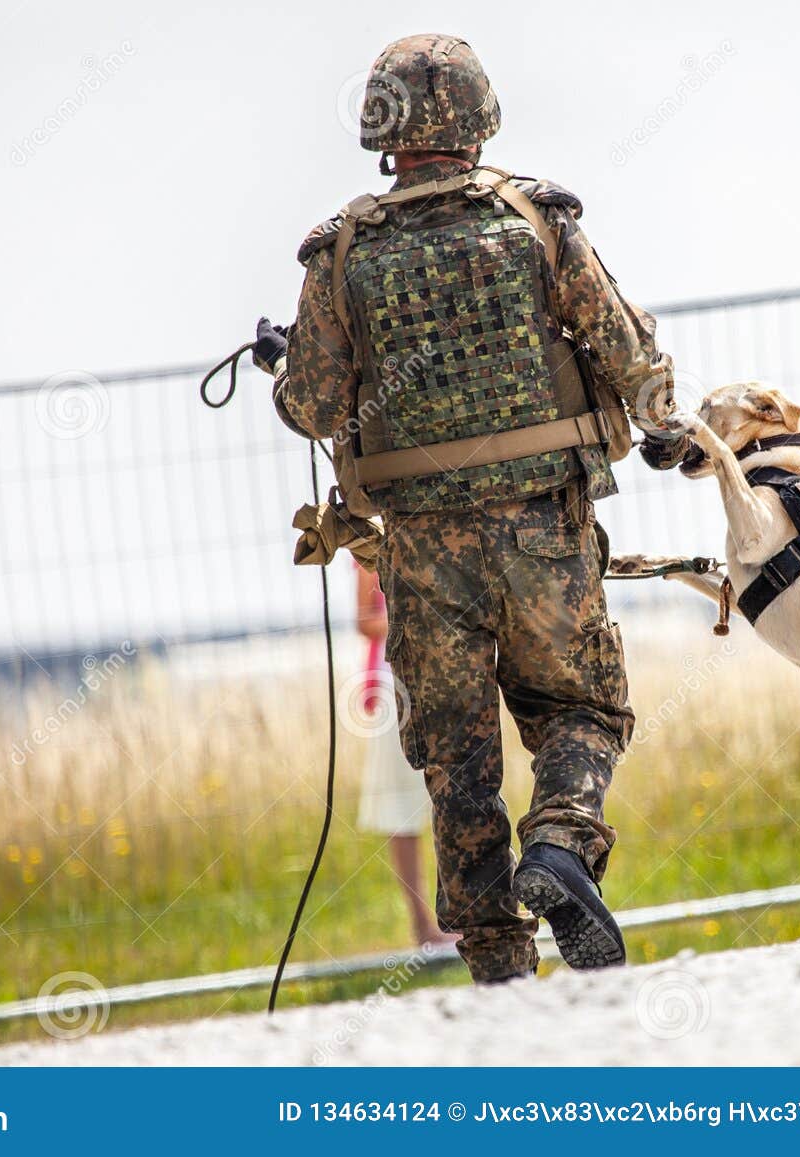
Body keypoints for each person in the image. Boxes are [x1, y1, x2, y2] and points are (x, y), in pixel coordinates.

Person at [251, 33, 691, 983]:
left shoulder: (342, 253)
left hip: (420, 551)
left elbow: (317, 408)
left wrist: (283, 363)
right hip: (545, 528)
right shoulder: (539, 220)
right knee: (580, 705)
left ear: (383, 128)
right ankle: (565, 842)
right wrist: (670, 429)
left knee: (456, 756)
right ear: (480, 119)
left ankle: (495, 961)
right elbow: (626, 351)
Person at [353, 562, 457, 948]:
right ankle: (423, 927)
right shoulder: (368, 547)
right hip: (394, 680)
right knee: (402, 807)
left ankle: (461, 915)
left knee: (453, 794)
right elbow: (365, 621)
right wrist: (419, 621)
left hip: (440, 671)